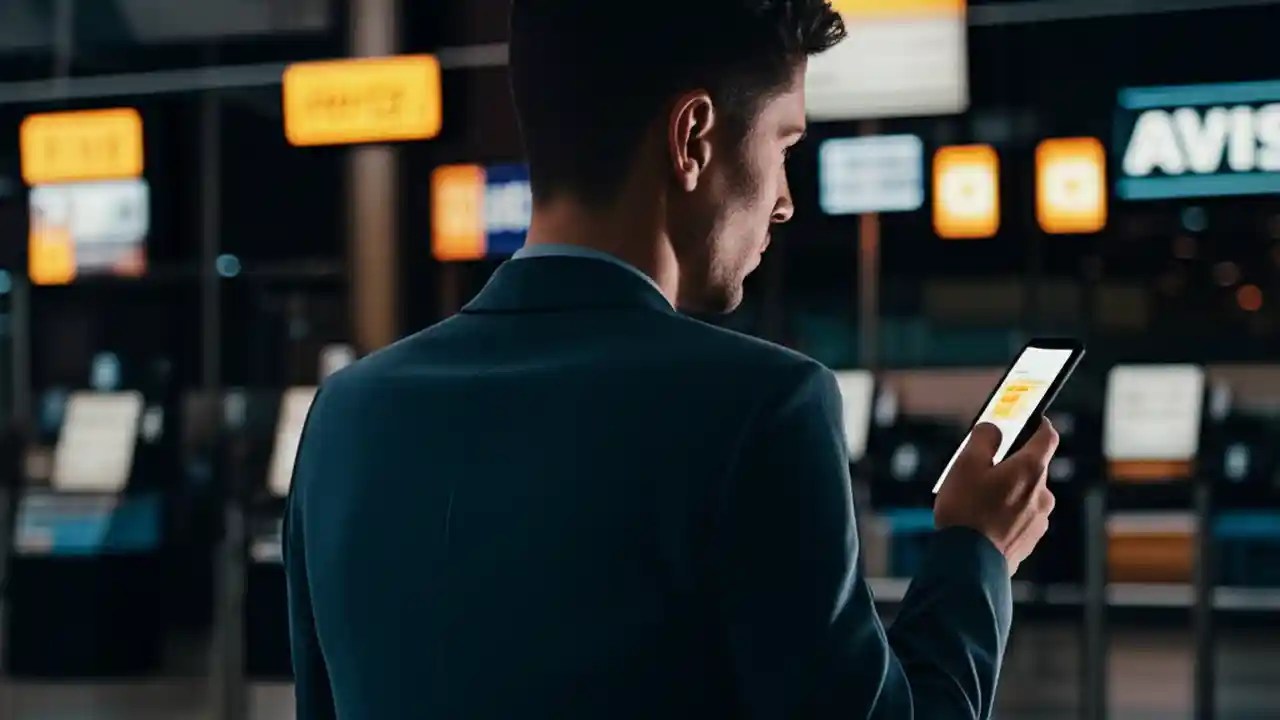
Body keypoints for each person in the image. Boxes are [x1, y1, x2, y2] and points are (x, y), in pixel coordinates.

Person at [284, 1, 1060, 718]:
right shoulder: (763, 408)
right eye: (784, 144)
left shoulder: (346, 414)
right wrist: (975, 551)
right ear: (693, 138)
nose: (786, 201)